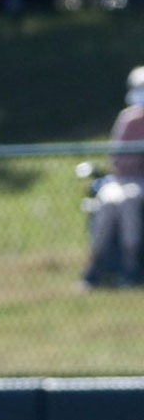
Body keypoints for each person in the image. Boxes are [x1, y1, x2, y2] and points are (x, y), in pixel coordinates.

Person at [82, 68, 144, 289]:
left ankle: (131, 264)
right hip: (121, 179)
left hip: (140, 182)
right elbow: (117, 160)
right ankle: (96, 264)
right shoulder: (127, 119)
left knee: (129, 201)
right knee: (107, 201)